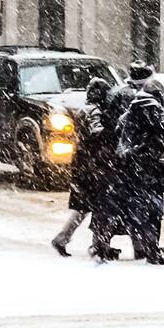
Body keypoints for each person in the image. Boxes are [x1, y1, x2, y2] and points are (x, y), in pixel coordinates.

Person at [52, 77, 120, 259]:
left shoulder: (85, 109)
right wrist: (114, 133)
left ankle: (66, 238)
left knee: (84, 206)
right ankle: (98, 244)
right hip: (93, 165)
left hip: (84, 163)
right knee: (101, 206)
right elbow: (96, 133)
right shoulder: (95, 112)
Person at [116, 78, 164, 265]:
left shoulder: (131, 110)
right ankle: (151, 249)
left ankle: (144, 246)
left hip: (133, 166)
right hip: (149, 167)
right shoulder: (153, 108)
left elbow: (120, 130)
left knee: (139, 210)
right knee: (154, 211)